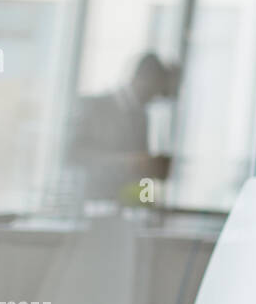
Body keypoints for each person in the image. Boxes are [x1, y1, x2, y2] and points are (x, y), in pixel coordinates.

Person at [66, 53, 180, 205]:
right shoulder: (94, 106)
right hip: (89, 204)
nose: (156, 97)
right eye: (157, 89)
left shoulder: (142, 117)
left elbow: (141, 175)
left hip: (123, 209)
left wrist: (147, 201)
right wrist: (129, 163)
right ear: (144, 79)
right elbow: (74, 157)